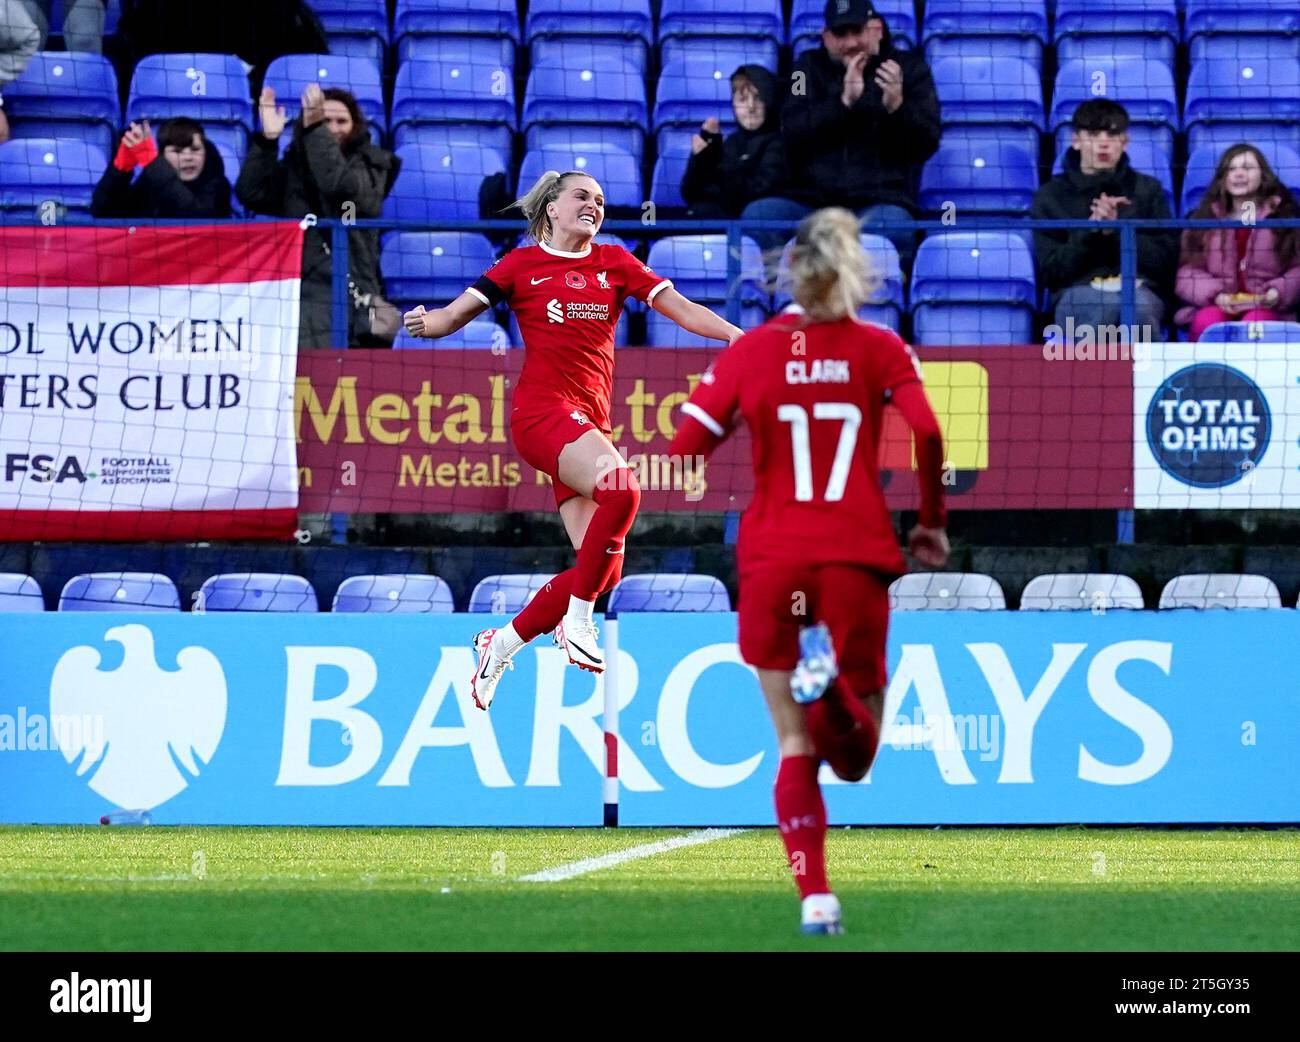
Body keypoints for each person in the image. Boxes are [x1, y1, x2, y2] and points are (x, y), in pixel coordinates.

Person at [666, 207, 948, 935]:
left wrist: (693, 465)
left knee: (794, 746)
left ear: (788, 271)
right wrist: (929, 522)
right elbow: (928, 431)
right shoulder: (879, 347)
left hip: (774, 559)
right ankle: (831, 693)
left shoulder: (752, 350)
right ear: (856, 270)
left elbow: (687, 442)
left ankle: (815, 898)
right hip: (853, 555)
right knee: (854, 762)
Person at [401, 171, 744, 710]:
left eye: (601, 201)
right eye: (582, 196)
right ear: (552, 209)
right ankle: (578, 619)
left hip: (589, 423)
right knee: (625, 492)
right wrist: (427, 321)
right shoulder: (519, 265)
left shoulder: (614, 261)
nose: (594, 205)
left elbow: (680, 308)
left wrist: (731, 334)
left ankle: (502, 642)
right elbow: (454, 315)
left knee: (601, 568)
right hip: (541, 414)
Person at [741, 0, 941, 264]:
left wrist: (897, 108)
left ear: (876, 29)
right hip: (809, 201)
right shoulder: (804, 71)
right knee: (759, 216)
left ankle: (877, 304)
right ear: (826, 37)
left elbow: (926, 143)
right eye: (840, 34)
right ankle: (777, 302)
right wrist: (843, 102)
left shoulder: (910, 70)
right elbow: (791, 129)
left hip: (878, 201)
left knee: (895, 226)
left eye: (856, 32)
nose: (850, 43)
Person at [236, 84, 401, 348]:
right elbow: (251, 192)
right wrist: (267, 141)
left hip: (352, 287)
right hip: (302, 289)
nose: (333, 128)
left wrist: (315, 129)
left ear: (356, 125)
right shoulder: (295, 169)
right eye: (325, 120)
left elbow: (339, 185)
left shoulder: (374, 163)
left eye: (341, 121)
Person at [1032, 99, 1178, 338]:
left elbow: (1164, 264)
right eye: (1092, 134)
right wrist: (1092, 230)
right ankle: (1092, 376)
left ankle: (1139, 375)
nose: (1103, 143)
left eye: (1112, 134)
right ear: (1076, 141)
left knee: (1137, 310)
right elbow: (1053, 272)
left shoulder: (1148, 190)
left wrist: (1119, 231)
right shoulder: (1050, 196)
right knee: (1106, 308)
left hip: (1140, 290)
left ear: (1124, 142)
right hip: (1077, 291)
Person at [1175, 144, 1300, 340]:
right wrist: (1216, 295)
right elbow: (1186, 272)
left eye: (1247, 168)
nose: (1239, 174)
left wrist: (1278, 291)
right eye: (1231, 169)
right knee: (1205, 322)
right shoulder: (1203, 219)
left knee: (1255, 326)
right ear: (1223, 179)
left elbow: (1297, 269)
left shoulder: (1285, 217)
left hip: (1268, 307)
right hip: (1217, 303)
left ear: (1263, 175)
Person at [680, 64, 787, 219]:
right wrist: (700, 161)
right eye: (742, 99)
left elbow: (759, 192)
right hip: (710, 217)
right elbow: (690, 193)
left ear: (770, 102)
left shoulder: (780, 142)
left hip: (745, 226)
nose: (751, 107)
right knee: (647, 216)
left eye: (758, 98)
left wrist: (717, 161)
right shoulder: (732, 142)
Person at [91, 117, 232, 218]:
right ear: (163, 155)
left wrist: (153, 164)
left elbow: (193, 214)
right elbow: (104, 213)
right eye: (177, 151)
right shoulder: (151, 180)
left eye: (195, 149)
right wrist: (120, 169)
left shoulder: (218, 185)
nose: (188, 157)